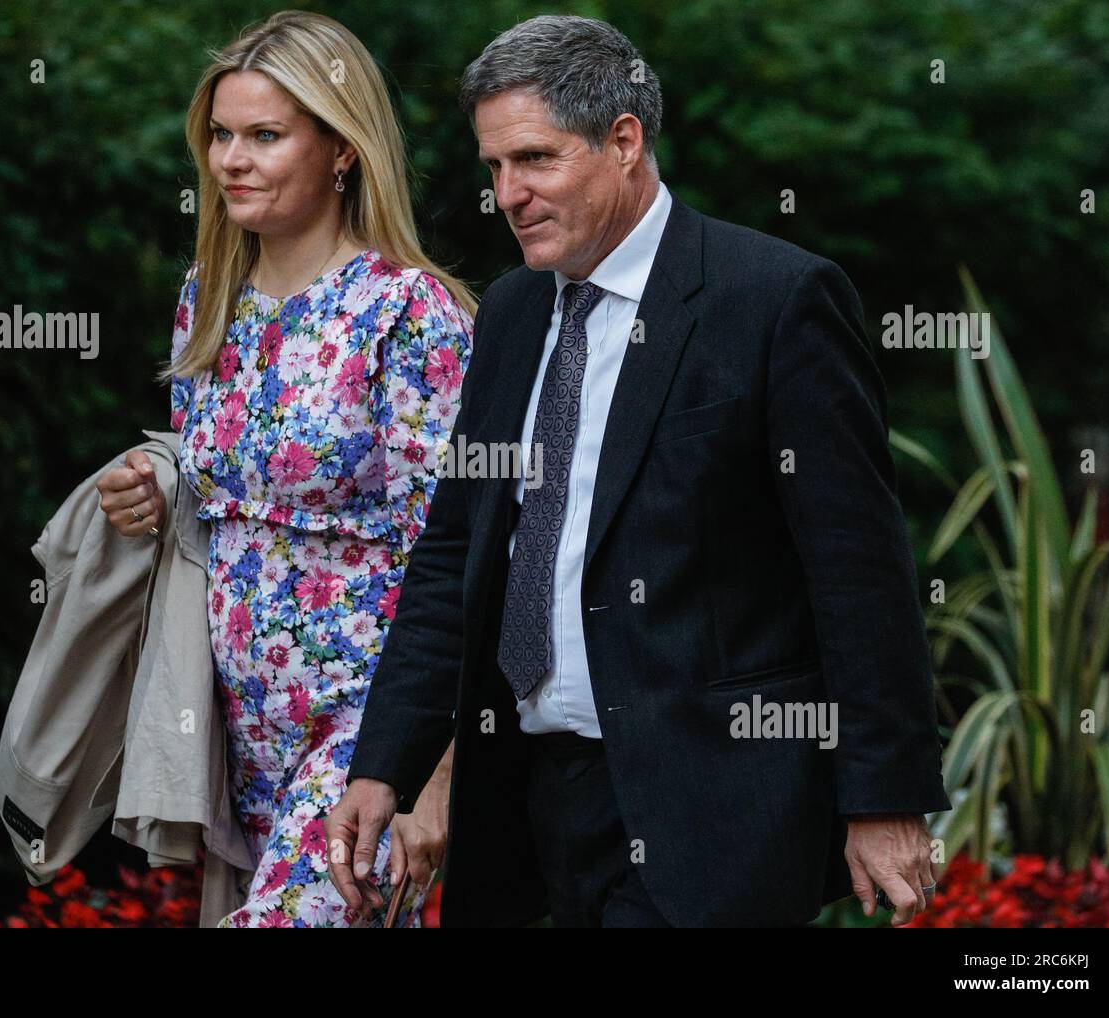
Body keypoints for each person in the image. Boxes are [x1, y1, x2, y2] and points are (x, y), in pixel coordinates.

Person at [327, 14, 950, 928]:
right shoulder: (506, 314)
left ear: (624, 141)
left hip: (715, 809)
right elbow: (454, 554)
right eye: (494, 167)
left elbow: (859, 568)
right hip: (528, 807)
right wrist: (386, 762)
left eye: (536, 159)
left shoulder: (773, 299)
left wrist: (886, 795)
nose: (509, 193)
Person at [94, 10, 474, 927]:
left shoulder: (408, 313)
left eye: (265, 135)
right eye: (222, 135)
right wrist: (158, 484)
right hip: (244, 722)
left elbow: (466, 552)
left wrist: (439, 768)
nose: (233, 159)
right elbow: (217, 480)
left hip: (372, 722)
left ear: (342, 150)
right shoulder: (208, 300)